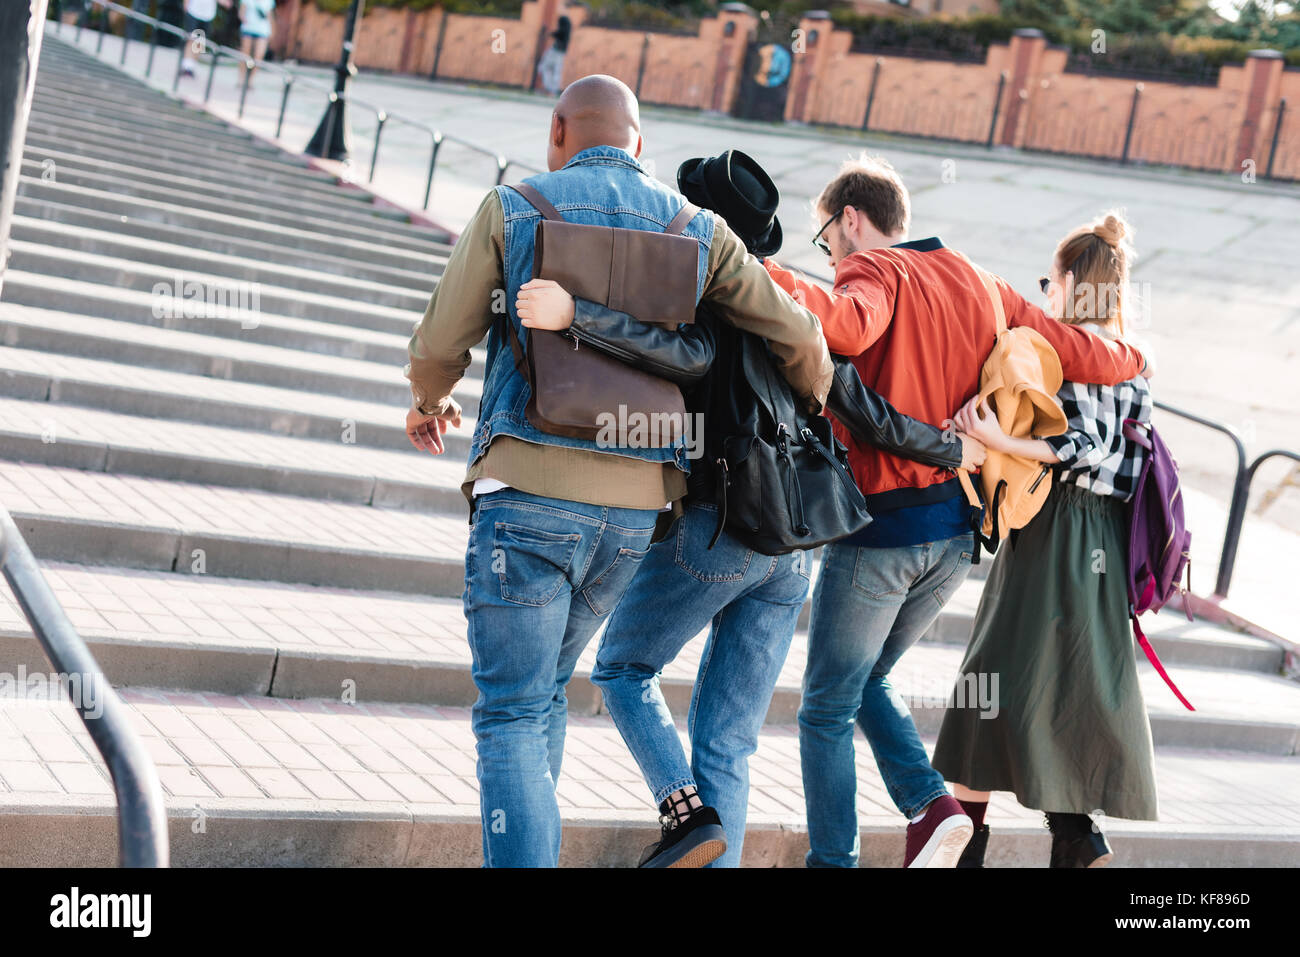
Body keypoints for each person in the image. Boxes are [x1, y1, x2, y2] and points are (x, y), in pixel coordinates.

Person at [403, 76, 834, 868]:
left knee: (508, 711)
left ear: (558, 128)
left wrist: (429, 401)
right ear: (639, 143)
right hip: (634, 515)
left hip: (527, 492)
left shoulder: (515, 204)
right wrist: (808, 402)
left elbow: (439, 342)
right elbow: (801, 336)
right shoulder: (700, 229)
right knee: (545, 691)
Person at [522, 149, 986, 868]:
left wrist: (574, 314)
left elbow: (679, 356)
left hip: (722, 525)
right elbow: (867, 413)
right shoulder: (797, 310)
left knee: (621, 667)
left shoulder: (706, 292)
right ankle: (707, 833)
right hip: (791, 549)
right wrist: (953, 453)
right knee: (730, 738)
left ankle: (684, 810)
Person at [762, 155, 1153, 868]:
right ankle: (939, 811)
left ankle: (892, 828)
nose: (831, 254)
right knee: (866, 681)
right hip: (951, 539)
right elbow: (1073, 348)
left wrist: (755, 273)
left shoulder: (872, 270)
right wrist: (1130, 354)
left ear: (851, 220)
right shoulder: (982, 281)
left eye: (827, 240)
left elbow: (843, 328)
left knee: (823, 705)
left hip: (880, 529)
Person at [932, 211, 1157, 869]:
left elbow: (1079, 447)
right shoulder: (1134, 361)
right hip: (1104, 539)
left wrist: (998, 440)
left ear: (1067, 282)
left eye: (1048, 279)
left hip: (1056, 526)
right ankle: (1075, 839)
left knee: (994, 674)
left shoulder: (1073, 350)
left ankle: (971, 846)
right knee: (1064, 677)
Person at [180, 0, 231, 80]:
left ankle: (191, 67)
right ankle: (186, 65)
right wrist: (186, 3)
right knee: (191, 39)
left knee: (200, 42)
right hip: (194, 11)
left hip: (207, 15)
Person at [237, 0, 275, 89]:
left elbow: (270, 16)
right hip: (248, 28)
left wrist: (272, 31)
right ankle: (241, 79)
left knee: (258, 56)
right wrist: (243, 18)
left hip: (262, 30)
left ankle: (250, 81)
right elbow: (241, 12)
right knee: (245, 55)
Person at [535, 15, 571, 97]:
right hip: (559, 53)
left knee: (545, 68)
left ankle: (549, 89)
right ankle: (551, 90)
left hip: (555, 52)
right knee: (555, 71)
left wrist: (547, 32)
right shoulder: (566, 33)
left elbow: (555, 34)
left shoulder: (562, 32)